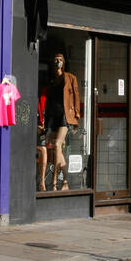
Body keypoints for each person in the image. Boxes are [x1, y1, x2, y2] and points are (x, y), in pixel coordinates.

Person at [42, 52, 81, 191]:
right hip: (53, 117)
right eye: (55, 60)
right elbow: (49, 102)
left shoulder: (70, 78)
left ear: (64, 62)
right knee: (55, 148)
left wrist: (76, 117)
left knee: (58, 144)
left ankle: (54, 182)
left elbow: (76, 97)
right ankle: (65, 180)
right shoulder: (52, 80)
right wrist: (46, 122)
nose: (57, 62)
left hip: (65, 116)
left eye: (60, 60)